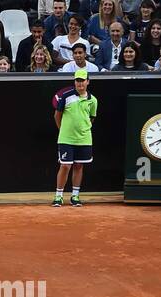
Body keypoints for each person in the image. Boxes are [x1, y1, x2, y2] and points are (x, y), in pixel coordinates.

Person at [52, 67, 96, 207]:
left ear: (87, 82)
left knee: (78, 166)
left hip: (84, 139)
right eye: (77, 81)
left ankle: (75, 196)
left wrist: (83, 128)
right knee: (65, 166)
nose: (80, 84)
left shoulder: (93, 100)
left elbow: (91, 118)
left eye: (82, 81)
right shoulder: (66, 97)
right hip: (66, 139)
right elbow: (57, 115)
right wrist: (62, 130)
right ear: (74, 82)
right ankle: (58, 196)